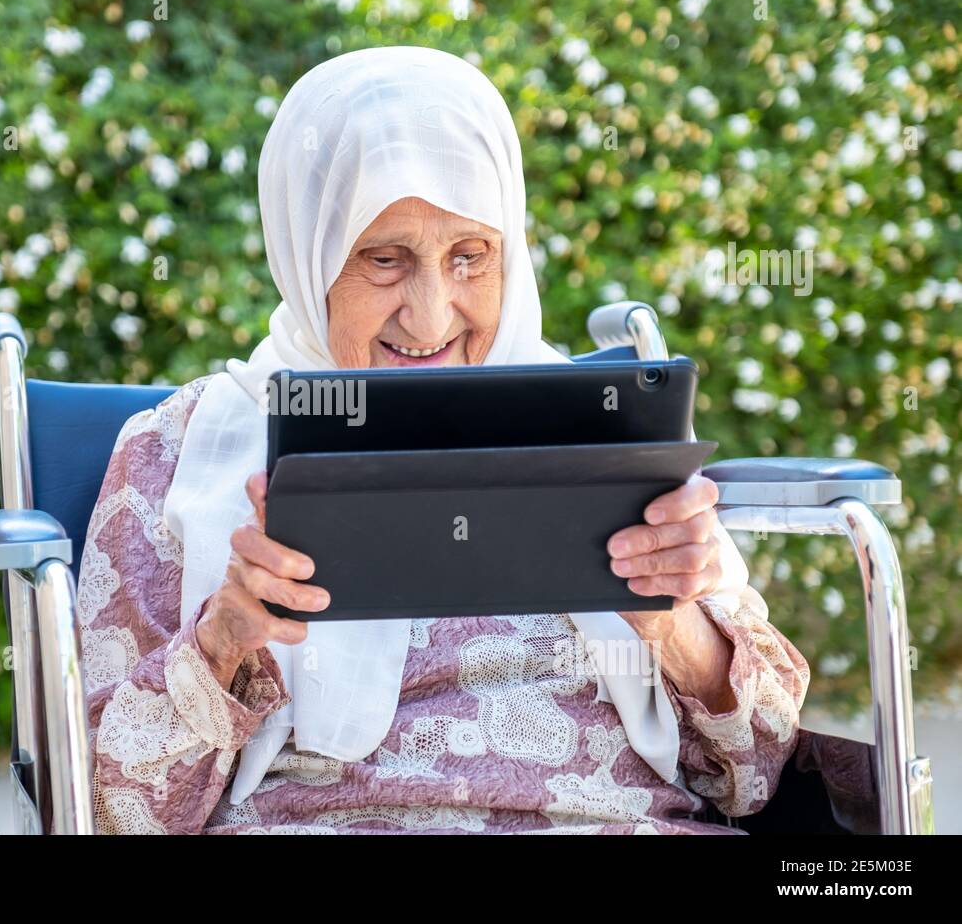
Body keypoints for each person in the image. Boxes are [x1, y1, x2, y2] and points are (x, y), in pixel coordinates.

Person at [76, 46, 809, 834]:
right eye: (383, 261)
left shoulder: (605, 426)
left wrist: (669, 624)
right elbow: (113, 815)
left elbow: (758, 775)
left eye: (469, 257)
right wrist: (223, 640)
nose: (430, 318)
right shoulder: (179, 450)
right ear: (308, 251)